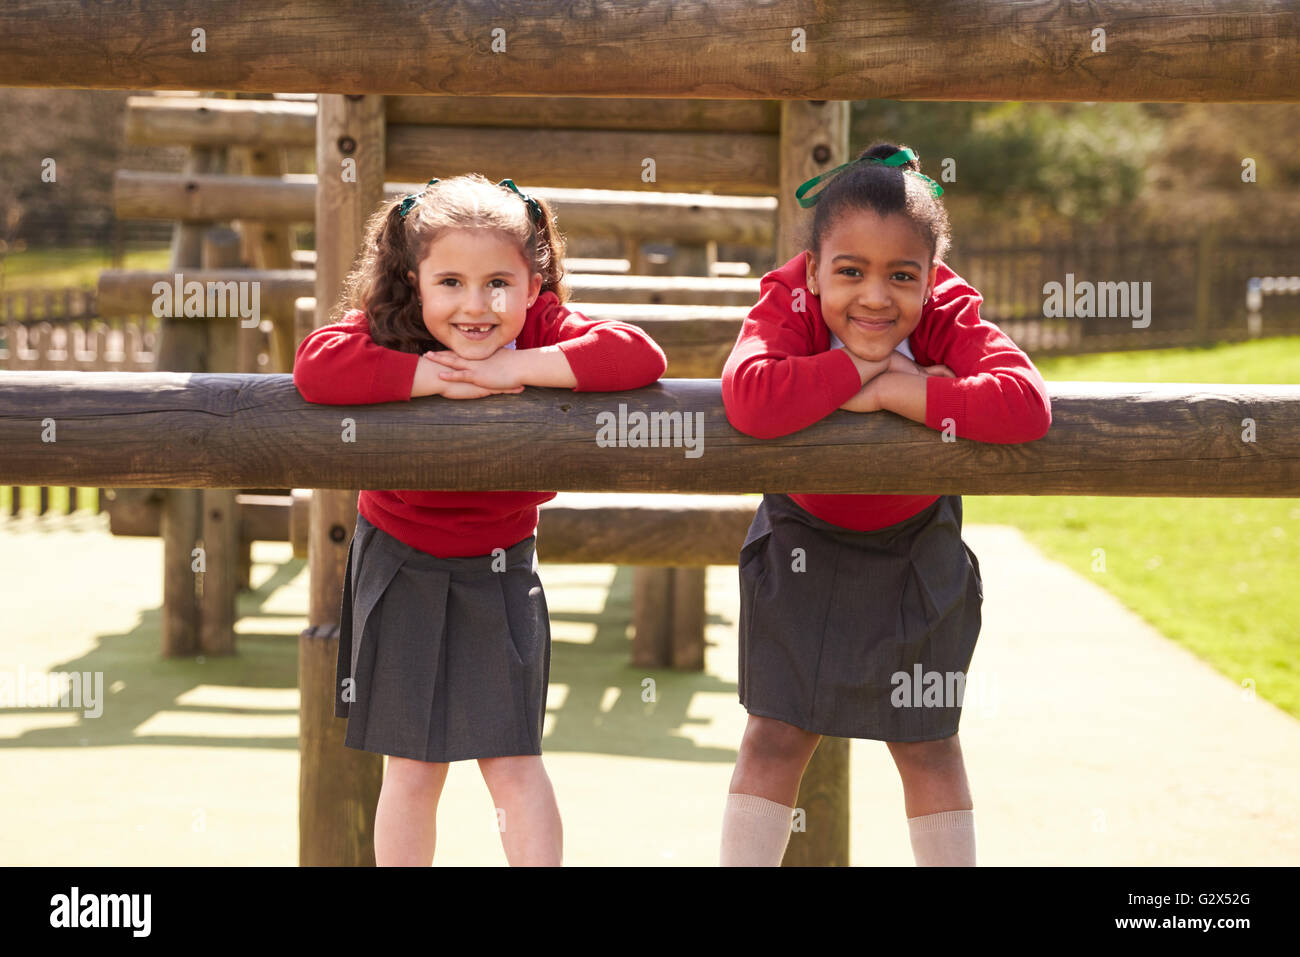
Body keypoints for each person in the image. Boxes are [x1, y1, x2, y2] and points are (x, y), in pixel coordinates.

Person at [293, 173, 667, 866]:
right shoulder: (391, 324)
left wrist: (515, 365)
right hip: (398, 556)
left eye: (499, 283)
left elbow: (638, 354)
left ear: (533, 284)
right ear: (415, 281)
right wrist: (427, 377)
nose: (476, 305)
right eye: (451, 283)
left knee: (512, 757)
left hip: (501, 564)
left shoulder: (541, 321)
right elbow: (316, 368)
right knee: (411, 765)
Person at [718, 142, 1052, 866]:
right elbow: (748, 397)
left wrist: (896, 390)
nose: (875, 297)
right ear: (812, 270)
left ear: (931, 278)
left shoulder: (946, 311)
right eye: (850, 272)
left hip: (915, 544)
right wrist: (856, 367)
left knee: (928, 740)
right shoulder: (790, 299)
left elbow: (1024, 406)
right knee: (774, 733)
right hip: (802, 534)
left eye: (902, 276)